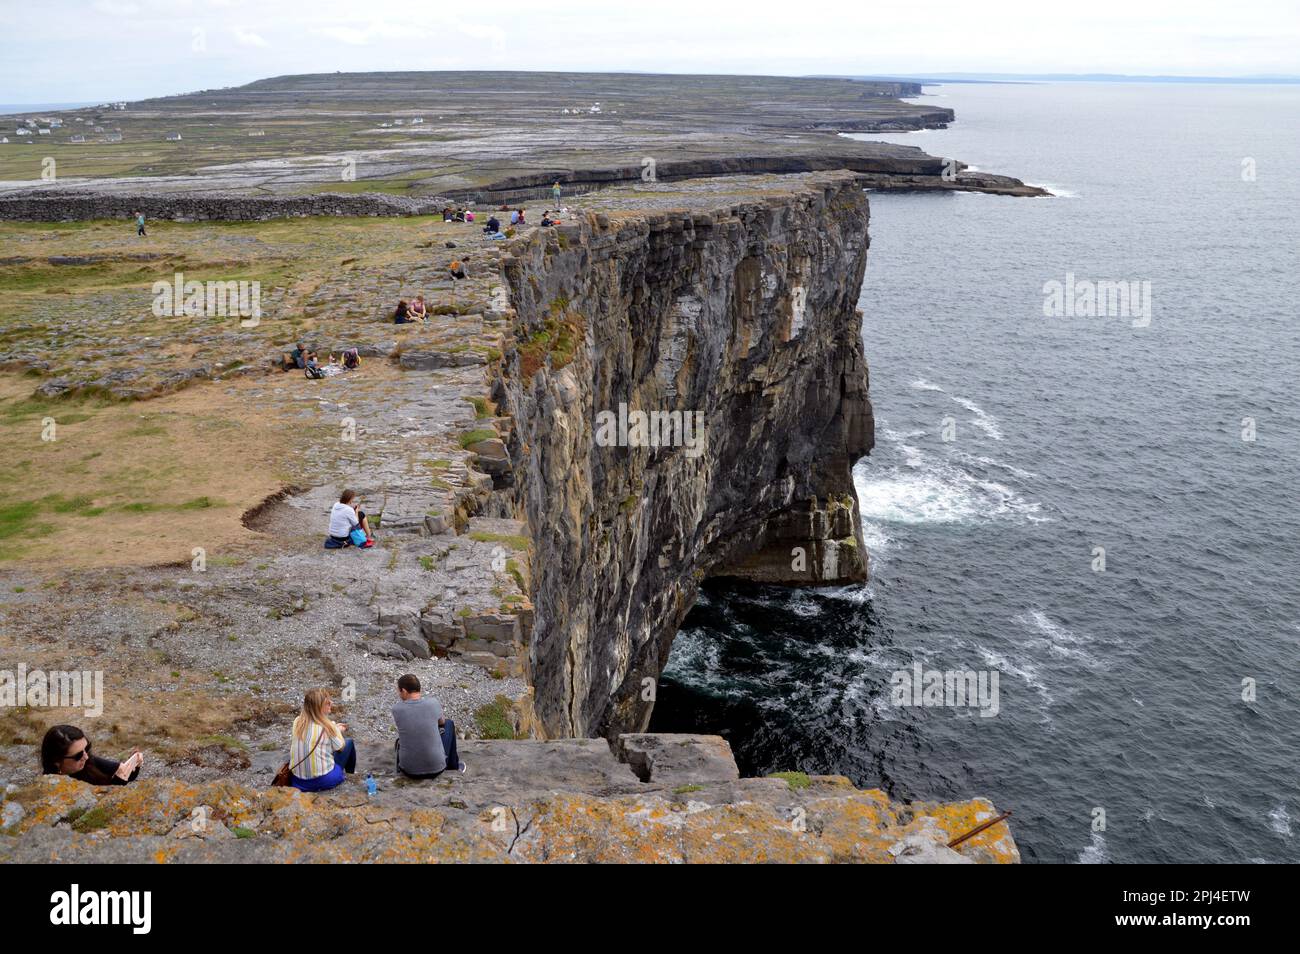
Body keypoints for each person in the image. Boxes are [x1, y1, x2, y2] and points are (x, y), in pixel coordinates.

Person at [391, 674, 464, 778]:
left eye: (399, 691)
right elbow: (442, 722)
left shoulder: (396, 709)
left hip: (408, 771)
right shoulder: (433, 703)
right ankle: (453, 766)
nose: (399, 694)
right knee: (449, 723)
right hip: (436, 769)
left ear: (404, 691)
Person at [287, 688, 356, 792]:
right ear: (319, 707)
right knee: (349, 743)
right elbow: (340, 747)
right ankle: (350, 775)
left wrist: (334, 729)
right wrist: (338, 730)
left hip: (298, 781)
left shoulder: (297, 722)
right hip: (322, 781)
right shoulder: (328, 726)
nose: (331, 703)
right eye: (328, 703)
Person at [41, 724, 142, 786]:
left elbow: (127, 775)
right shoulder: (52, 788)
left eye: (87, 748)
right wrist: (119, 781)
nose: (86, 756)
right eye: (78, 755)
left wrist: (135, 764)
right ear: (57, 761)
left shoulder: (88, 762)